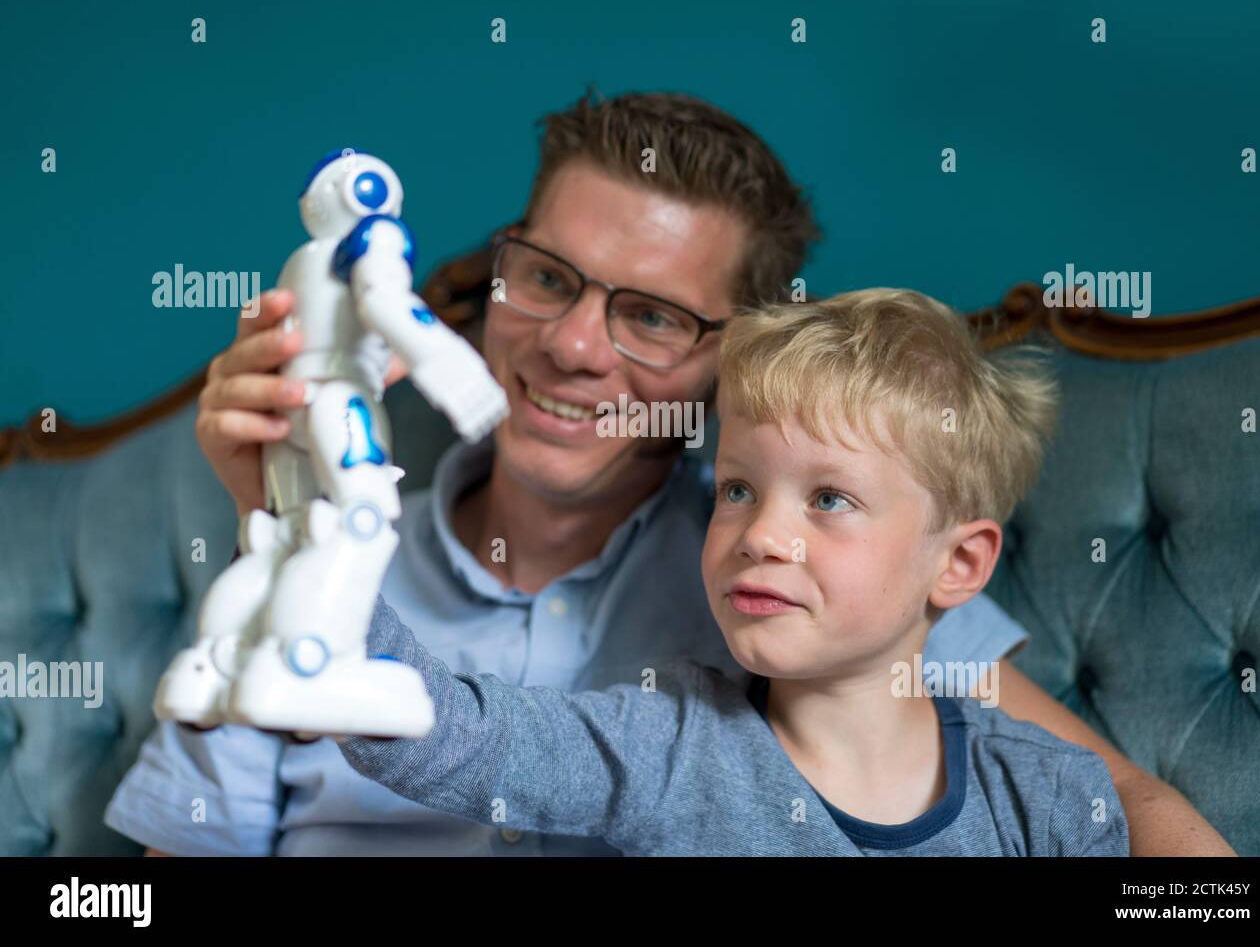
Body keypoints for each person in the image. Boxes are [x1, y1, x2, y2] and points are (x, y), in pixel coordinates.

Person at [104, 88, 1232, 856]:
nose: (575, 345)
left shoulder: (811, 589)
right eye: (547, 277)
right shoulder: (326, 564)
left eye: (649, 315)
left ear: (729, 363)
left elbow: (1115, 800)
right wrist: (281, 513)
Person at [339, 288, 1128, 855]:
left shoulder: (1052, 796)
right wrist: (324, 535)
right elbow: (446, 740)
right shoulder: (669, 743)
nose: (761, 534)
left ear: (958, 563)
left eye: (829, 497)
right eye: (738, 489)